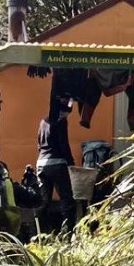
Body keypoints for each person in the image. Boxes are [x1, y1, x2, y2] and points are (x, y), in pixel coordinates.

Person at [36, 93, 76, 233]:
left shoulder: (43, 121)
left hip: (41, 163)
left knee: (43, 201)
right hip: (57, 163)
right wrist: (71, 162)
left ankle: (41, 233)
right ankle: (68, 233)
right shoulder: (61, 120)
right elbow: (63, 144)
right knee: (67, 200)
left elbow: (39, 144)